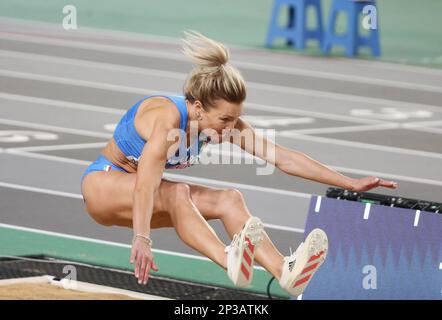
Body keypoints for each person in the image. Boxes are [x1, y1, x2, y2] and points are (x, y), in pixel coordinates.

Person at [80, 31, 398, 297]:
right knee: (177, 194)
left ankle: (284, 272)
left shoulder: (225, 123)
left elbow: (283, 158)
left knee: (229, 199)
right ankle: (227, 257)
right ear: (197, 107)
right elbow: (146, 185)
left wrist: (350, 183)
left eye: (236, 118)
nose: (231, 127)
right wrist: (141, 238)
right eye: (224, 119)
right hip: (104, 185)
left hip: (146, 195)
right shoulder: (166, 122)